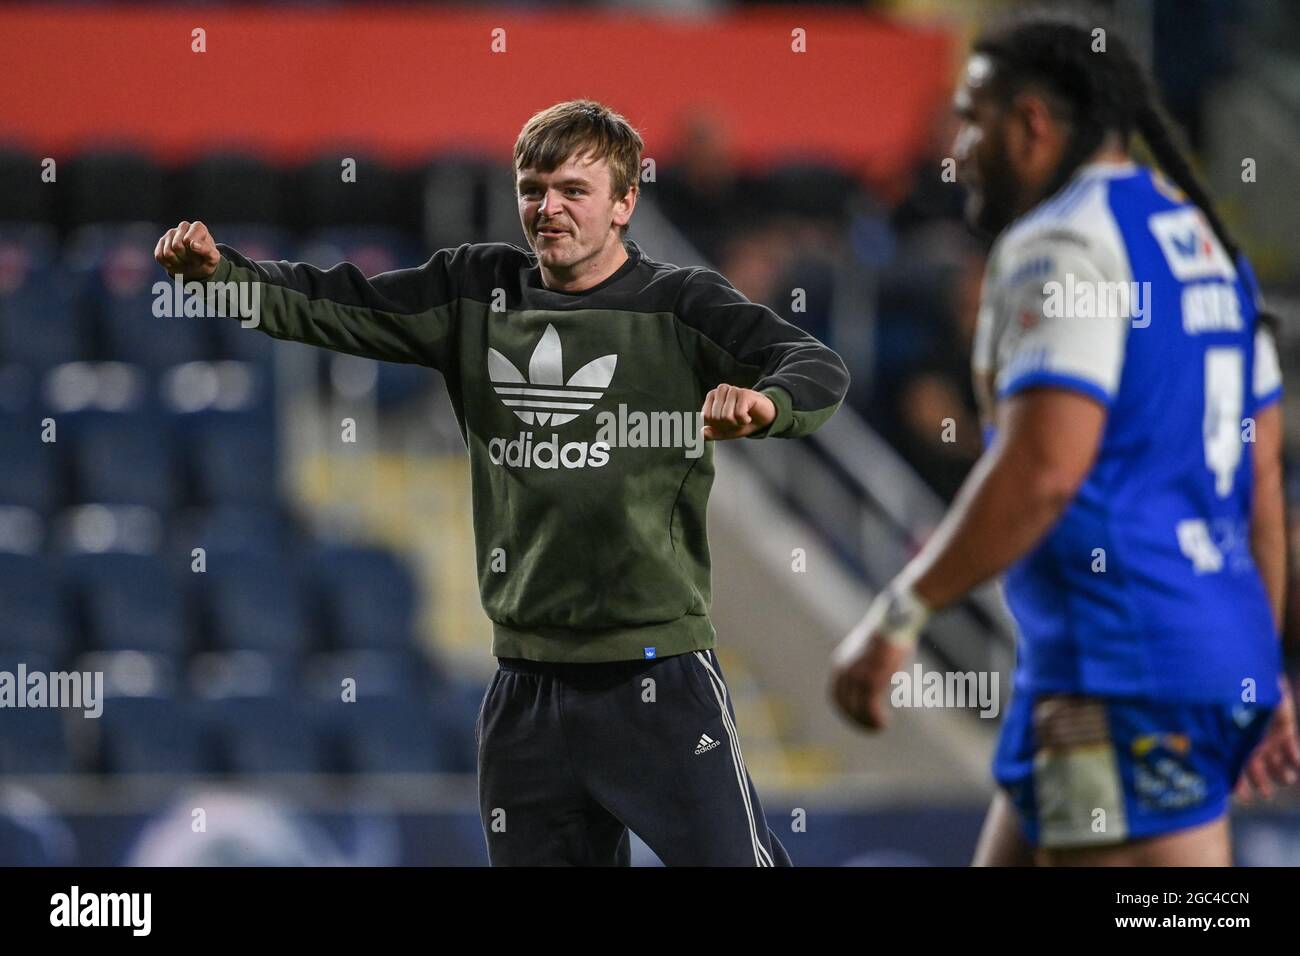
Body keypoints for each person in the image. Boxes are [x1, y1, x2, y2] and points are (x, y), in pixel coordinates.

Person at [155, 99, 849, 866]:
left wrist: (766, 403)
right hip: (527, 693)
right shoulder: (473, 292)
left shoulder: (682, 306)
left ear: (624, 203)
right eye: (532, 188)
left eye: (572, 191)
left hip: (657, 682)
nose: (547, 208)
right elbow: (335, 305)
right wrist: (225, 279)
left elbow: (816, 366)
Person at [830, 11, 1299, 866]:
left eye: (973, 118)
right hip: (1170, 650)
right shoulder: (1201, 240)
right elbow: (1260, 482)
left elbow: (1044, 470)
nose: (959, 146)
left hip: (1121, 665)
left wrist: (899, 614)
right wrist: (1256, 666)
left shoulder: (1061, 244)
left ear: (1032, 124)